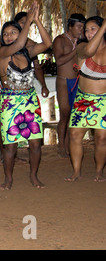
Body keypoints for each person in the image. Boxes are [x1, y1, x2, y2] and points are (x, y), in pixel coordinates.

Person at [0, 2, 52, 190]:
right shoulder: (3, 53)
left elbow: (47, 43)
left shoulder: (28, 52)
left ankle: (33, 175)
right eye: (6, 34)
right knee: (11, 146)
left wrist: (36, 20)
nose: (9, 36)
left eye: (13, 32)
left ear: (20, 34)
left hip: (30, 101)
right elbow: (19, 43)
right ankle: (8, 178)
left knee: (35, 143)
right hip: (10, 103)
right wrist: (27, 21)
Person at [66, 16, 106, 182]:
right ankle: (76, 171)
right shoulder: (82, 47)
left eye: (93, 29)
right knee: (75, 135)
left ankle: (99, 172)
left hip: (104, 100)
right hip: (84, 99)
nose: (88, 33)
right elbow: (90, 52)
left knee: (101, 139)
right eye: (87, 30)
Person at [53, 13, 86, 158]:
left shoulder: (83, 41)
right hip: (63, 80)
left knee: (76, 115)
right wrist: (75, 51)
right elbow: (59, 61)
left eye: (83, 27)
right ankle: (61, 145)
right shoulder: (59, 40)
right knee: (65, 113)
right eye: (79, 27)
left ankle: (71, 144)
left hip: (78, 81)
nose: (81, 30)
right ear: (70, 26)